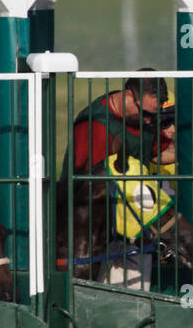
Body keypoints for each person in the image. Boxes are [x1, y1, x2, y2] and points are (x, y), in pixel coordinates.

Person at [63, 72, 170, 289]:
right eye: (146, 113)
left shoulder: (144, 119)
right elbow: (86, 186)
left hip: (136, 227)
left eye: (154, 115)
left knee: (137, 299)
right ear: (128, 95)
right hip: (94, 232)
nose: (149, 120)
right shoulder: (94, 124)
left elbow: (159, 154)